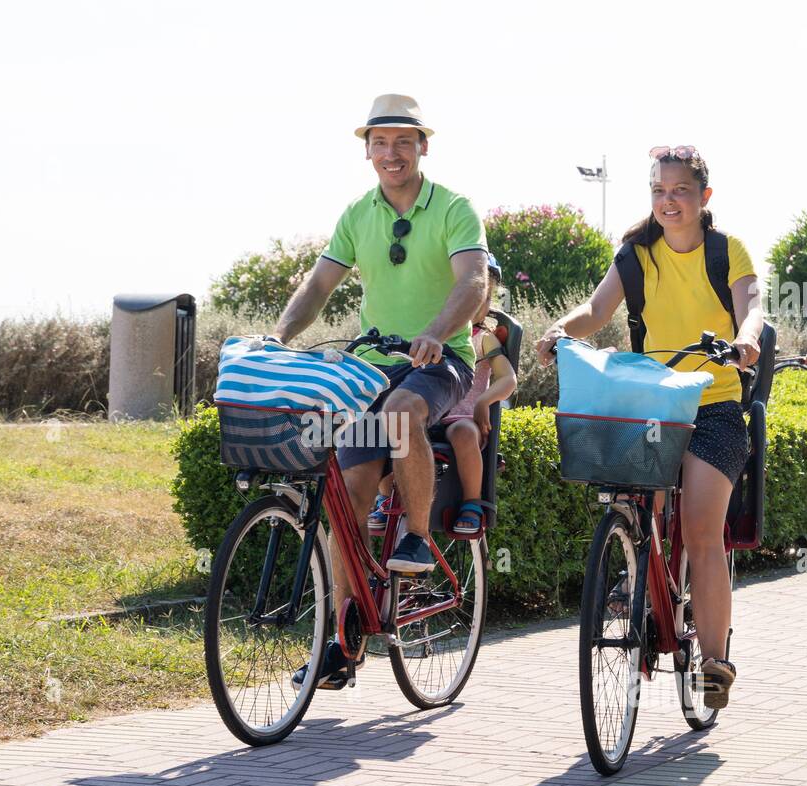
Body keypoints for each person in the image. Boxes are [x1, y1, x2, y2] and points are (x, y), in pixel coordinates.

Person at [270, 93, 489, 690]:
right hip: (370, 366)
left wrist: (436, 333)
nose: (391, 153)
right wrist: (278, 336)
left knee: (401, 414)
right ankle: (343, 639)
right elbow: (317, 286)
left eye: (403, 141)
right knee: (347, 495)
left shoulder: (454, 208)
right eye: (380, 142)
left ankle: (417, 535)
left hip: (441, 362)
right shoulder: (356, 215)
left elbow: (473, 281)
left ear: (423, 146)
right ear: (367, 149)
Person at [535, 145, 765, 709]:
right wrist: (559, 330)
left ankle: (713, 661)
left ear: (703, 197)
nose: (669, 201)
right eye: (660, 191)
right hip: (653, 402)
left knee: (702, 528)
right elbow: (595, 311)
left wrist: (746, 341)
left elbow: (752, 304)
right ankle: (637, 566)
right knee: (638, 497)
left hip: (713, 405)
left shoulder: (725, 251)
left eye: (680, 191)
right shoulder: (636, 255)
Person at [368, 253, 516, 535]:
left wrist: (484, 401)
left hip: (460, 417)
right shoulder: (425, 333)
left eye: (484, 296)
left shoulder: (482, 339)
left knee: (463, 433)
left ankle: (472, 502)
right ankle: (386, 498)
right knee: (386, 429)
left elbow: (508, 378)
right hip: (425, 414)